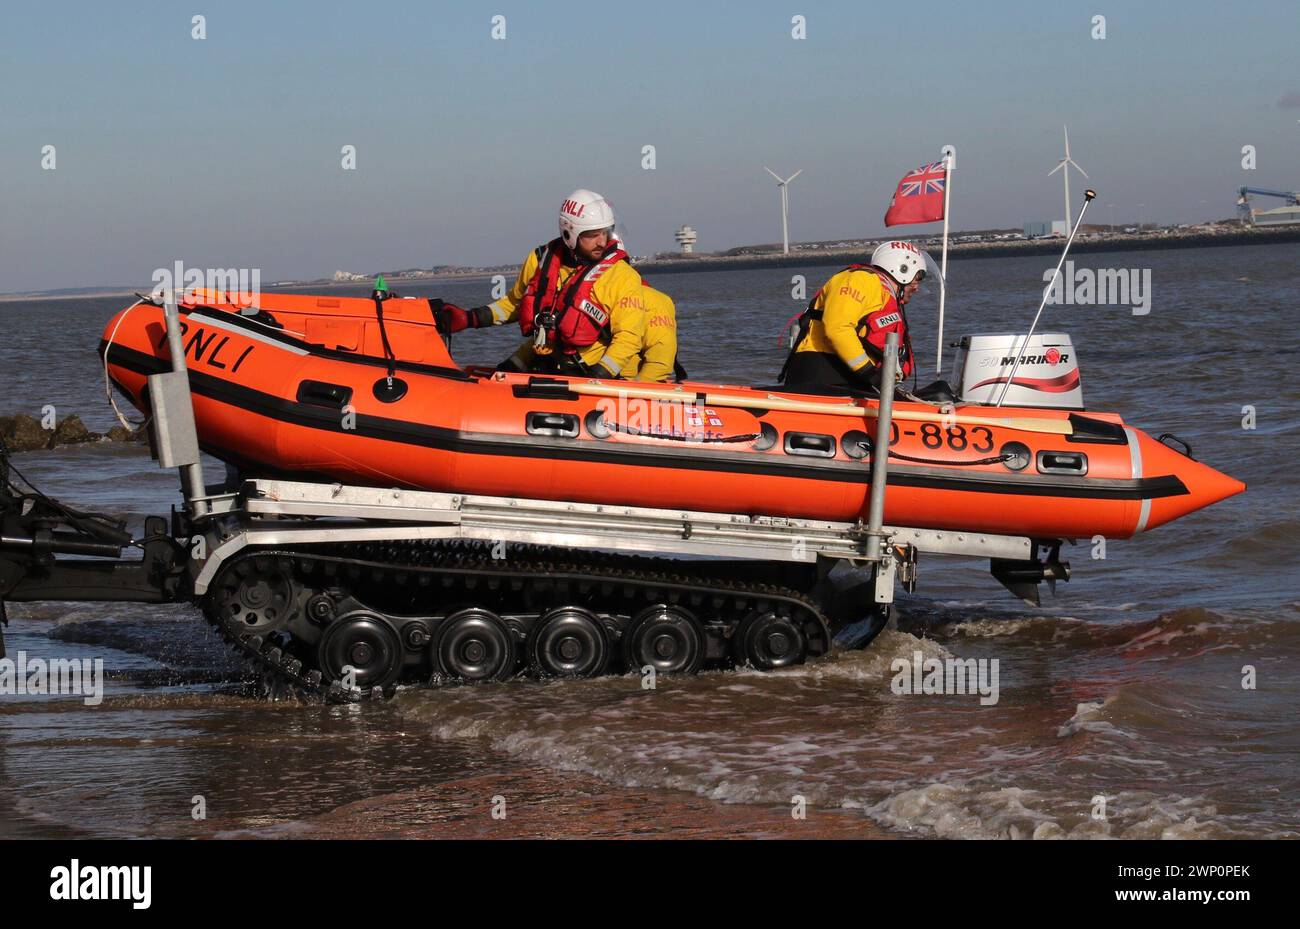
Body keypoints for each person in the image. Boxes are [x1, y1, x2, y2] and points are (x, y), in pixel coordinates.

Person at [433, 189, 646, 378]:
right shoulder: (540, 260)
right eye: (592, 235)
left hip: (585, 371)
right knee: (498, 375)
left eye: (606, 232)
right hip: (539, 359)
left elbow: (628, 338)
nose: (602, 241)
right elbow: (514, 304)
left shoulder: (622, 276)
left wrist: (600, 375)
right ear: (569, 233)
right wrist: (470, 318)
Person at [779, 240, 926, 393]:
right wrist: (870, 374)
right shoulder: (859, 280)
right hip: (824, 373)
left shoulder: (883, 292)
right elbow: (838, 328)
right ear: (903, 270)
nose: (916, 288)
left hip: (851, 377)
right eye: (917, 280)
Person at [623, 280, 683, 382]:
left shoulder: (627, 296)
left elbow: (660, 359)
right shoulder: (662, 299)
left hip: (625, 382)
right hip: (629, 380)